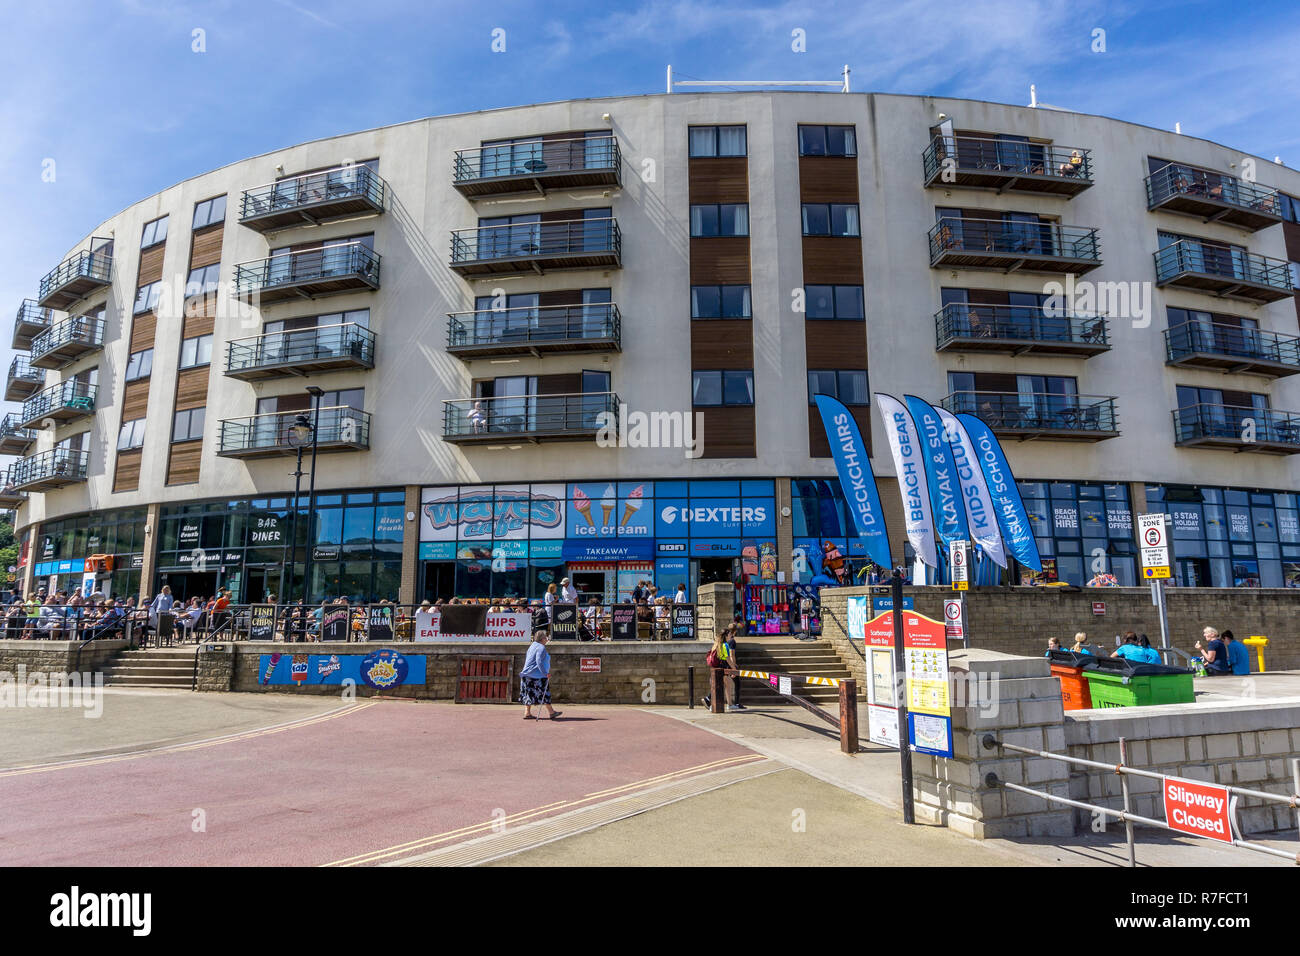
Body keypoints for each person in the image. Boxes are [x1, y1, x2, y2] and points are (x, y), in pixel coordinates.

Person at [520, 629, 561, 720]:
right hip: (537, 675)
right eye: (546, 638)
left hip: (527, 674)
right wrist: (545, 673)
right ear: (542, 639)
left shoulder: (532, 646)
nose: (547, 639)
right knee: (544, 693)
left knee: (528, 693)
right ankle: (551, 712)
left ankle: (527, 713)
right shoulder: (541, 647)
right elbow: (539, 661)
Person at [700, 630, 735, 710]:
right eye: (730, 634)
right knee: (719, 685)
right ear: (726, 636)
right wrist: (734, 668)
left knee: (723, 684)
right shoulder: (725, 645)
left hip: (716, 667)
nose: (731, 636)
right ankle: (709, 700)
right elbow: (728, 659)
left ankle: (728, 704)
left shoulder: (716, 644)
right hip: (723, 666)